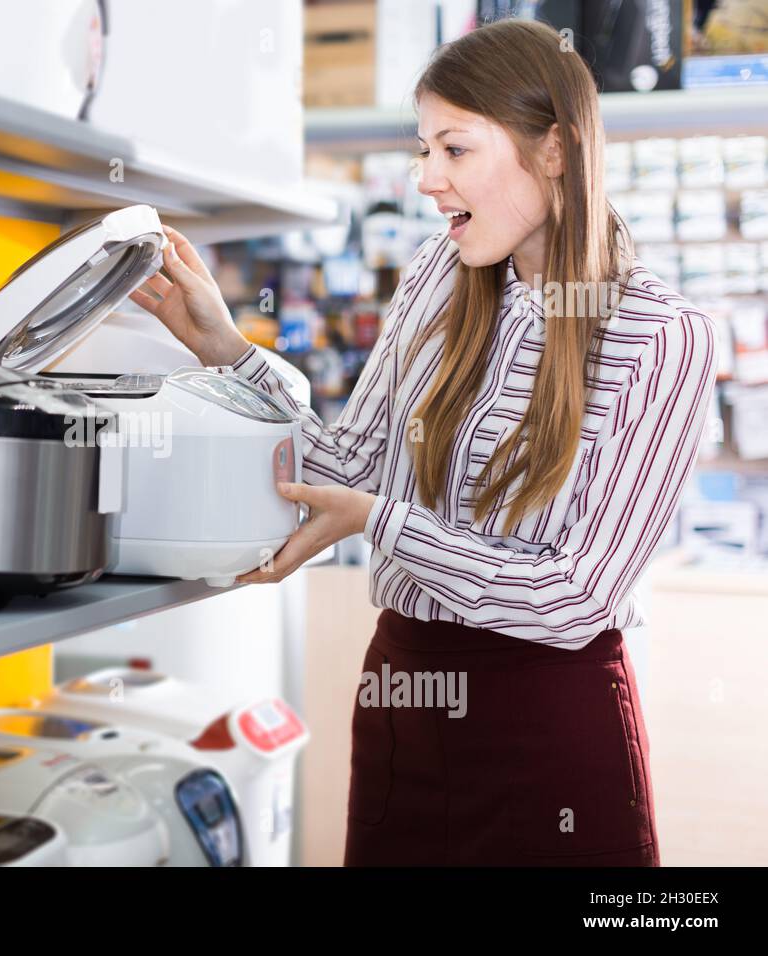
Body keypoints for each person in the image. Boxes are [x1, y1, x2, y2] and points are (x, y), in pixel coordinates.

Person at [130, 18, 717, 866]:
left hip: (548, 720)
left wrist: (384, 522)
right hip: (406, 690)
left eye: (454, 149)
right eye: (422, 150)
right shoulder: (435, 277)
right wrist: (226, 351)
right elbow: (348, 464)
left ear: (554, 150)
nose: (426, 180)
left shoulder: (661, 335)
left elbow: (576, 597)